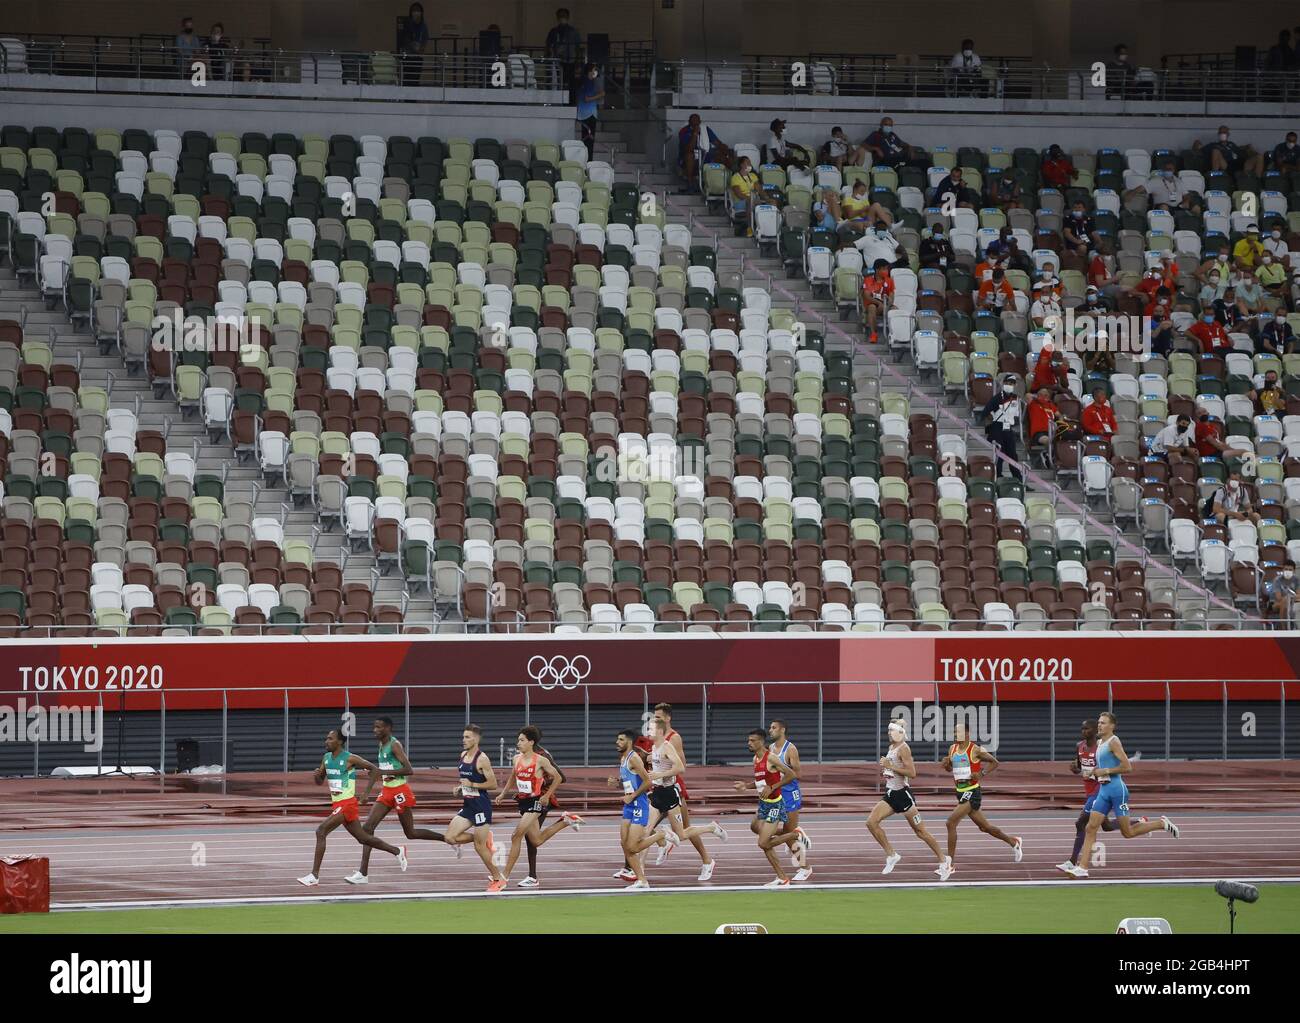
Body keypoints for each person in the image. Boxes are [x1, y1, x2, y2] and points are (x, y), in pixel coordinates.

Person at [1073, 712, 1180, 878]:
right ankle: (1082, 868)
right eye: (1099, 722)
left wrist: (1105, 770)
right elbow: (1102, 767)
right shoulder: (1100, 742)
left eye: (1103, 723)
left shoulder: (1114, 742)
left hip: (1117, 792)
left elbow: (1127, 767)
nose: (1099, 725)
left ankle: (1160, 823)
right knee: (1090, 827)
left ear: (1112, 726)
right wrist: (1093, 773)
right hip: (1103, 791)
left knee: (1127, 832)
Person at [346, 716, 450, 885]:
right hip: (387, 791)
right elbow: (381, 770)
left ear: (388, 728)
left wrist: (385, 773)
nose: (375, 730)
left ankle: (447, 839)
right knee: (367, 828)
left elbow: (409, 770)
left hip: (400, 791)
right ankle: (363, 873)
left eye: (378, 727)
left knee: (411, 833)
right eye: (374, 727)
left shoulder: (395, 745)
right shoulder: (381, 744)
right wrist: (373, 783)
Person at [298, 729, 408, 886]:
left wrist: (366, 793)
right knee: (363, 838)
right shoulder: (326, 758)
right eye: (326, 738)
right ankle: (397, 851)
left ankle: (314, 876)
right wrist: (317, 776)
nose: (326, 741)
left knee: (321, 831)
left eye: (330, 739)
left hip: (347, 804)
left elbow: (374, 770)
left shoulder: (350, 758)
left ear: (340, 742)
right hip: (337, 804)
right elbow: (320, 780)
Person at [494, 726, 583, 887]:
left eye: (521, 740)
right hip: (523, 802)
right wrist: (503, 793)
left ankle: (504, 877)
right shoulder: (516, 759)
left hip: (536, 803)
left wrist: (546, 796)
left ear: (531, 742)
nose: (518, 743)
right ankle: (565, 820)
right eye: (518, 740)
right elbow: (513, 777)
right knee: (536, 840)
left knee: (516, 836)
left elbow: (558, 777)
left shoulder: (541, 760)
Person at [937, 722, 1022, 878]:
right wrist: (946, 765)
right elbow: (951, 769)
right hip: (960, 792)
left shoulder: (975, 750)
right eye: (954, 732)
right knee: (985, 827)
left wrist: (981, 774)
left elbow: (995, 762)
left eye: (959, 732)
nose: (956, 735)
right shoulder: (952, 749)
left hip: (972, 792)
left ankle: (950, 865)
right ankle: (1013, 842)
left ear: (968, 733)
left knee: (950, 823)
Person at [866, 720, 949, 877]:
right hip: (891, 794)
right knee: (871, 823)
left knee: (920, 831)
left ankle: (944, 861)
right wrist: (887, 770)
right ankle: (892, 855)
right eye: (889, 730)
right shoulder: (892, 747)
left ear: (900, 732)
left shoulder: (904, 749)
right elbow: (894, 769)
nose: (889, 733)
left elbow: (912, 773)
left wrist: (890, 767)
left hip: (903, 795)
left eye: (892, 730)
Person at [642, 718, 726, 868]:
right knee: (646, 829)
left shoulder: (667, 747)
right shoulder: (654, 747)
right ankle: (640, 874)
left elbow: (680, 768)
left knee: (680, 835)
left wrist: (659, 775)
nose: (648, 732)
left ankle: (711, 827)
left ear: (659, 731)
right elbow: (657, 764)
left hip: (670, 793)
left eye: (651, 729)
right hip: (657, 793)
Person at [731, 729, 809, 888]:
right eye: (748, 740)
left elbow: (791, 774)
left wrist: (773, 787)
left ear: (761, 742)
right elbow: (760, 781)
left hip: (775, 804)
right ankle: (783, 877)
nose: (749, 743)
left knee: (763, 843)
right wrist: (746, 786)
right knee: (754, 828)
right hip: (763, 804)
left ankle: (793, 835)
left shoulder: (771, 758)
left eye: (752, 741)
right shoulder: (755, 759)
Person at [649, 703, 717, 881]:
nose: (656, 720)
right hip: (658, 787)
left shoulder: (674, 738)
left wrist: (664, 773)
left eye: (659, 717)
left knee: (685, 829)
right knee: (645, 824)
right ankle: (662, 843)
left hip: (674, 788)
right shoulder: (657, 738)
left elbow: (681, 765)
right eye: (654, 717)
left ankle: (707, 861)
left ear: (668, 718)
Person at [608, 729, 678, 890]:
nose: (617, 742)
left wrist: (632, 797)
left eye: (621, 740)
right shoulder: (623, 758)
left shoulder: (634, 759)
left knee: (633, 846)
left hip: (639, 805)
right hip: (629, 806)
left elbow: (647, 782)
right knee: (625, 844)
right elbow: (631, 783)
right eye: (617, 739)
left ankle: (662, 834)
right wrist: (617, 783)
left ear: (629, 742)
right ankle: (642, 880)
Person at [444, 724, 508, 893]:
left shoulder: (482, 759)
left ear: (476, 739)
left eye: (467, 737)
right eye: (463, 737)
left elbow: (493, 784)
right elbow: (465, 779)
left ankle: (498, 879)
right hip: (468, 804)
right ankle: (484, 839)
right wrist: (460, 788)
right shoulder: (463, 755)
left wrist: (471, 784)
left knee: (480, 848)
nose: (463, 740)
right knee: (450, 837)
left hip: (481, 806)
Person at [1055, 719, 1118, 875]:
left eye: (1087, 728)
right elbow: (1079, 767)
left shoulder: (1101, 748)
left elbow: (1110, 767)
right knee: (1107, 826)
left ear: (1094, 731)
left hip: (1101, 789)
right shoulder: (1080, 746)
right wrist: (1074, 768)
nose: (1084, 731)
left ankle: (1072, 861)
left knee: (1081, 822)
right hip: (1089, 790)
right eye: (1082, 728)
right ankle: (1140, 821)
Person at [768, 719, 812, 881]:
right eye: (770, 728)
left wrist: (782, 772)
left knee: (786, 833)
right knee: (765, 830)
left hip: (790, 794)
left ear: (782, 730)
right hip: (776, 794)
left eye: (774, 728)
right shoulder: (770, 749)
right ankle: (797, 834)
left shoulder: (790, 749)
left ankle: (805, 867)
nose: (770, 730)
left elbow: (798, 774)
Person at [982, 377, 1023, 478]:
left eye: (1013, 383)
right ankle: (998, 477)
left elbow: (1016, 414)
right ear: (1004, 383)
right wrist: (990, 417)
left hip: (1008, 428)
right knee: (999, 455)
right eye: (1008, 382)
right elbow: (985, 411)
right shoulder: (996, 398)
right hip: (997, 428)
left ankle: (1018, 480)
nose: (1010, 385)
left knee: (1013, 455)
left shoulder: (1015, 398)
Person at [678, 114, 728, 191]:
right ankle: (690, 182)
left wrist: (724, 149)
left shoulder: (705, 129)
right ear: (689, 122)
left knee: (722, 156)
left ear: (700, 122)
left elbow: (717, 143)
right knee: (689, 156)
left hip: (705, 157)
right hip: (690, 160)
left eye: (697, 123)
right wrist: (694, 133)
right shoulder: (684, 131)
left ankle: (720, 186)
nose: (695, 124)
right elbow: (689, 149)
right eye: (693, 122)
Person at [545, 8, 582, 101]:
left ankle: (571, 101)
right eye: (561, 16)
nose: (562, 18)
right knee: (557, 81)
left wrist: (577, 61)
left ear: (568, 17)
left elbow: (578, 47)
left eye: (564, 16)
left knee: (570, 82)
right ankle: (557, 100)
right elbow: (548, 45)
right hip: (557, 61)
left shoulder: (573, 32)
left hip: (570, 61)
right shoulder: (554, 31)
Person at [860, 258, 895, 344]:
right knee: (872, 307)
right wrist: (878, 303)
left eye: (887, 269)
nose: (886, 271)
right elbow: (866, 296)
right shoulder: (868, 280)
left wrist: (888, 303)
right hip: (872, 304)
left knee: (895, 310)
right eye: (884, 269)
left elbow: (891, 296)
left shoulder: (889, 281)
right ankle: (873, 334)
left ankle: (896, 335)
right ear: (877, 270)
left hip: (884, 305)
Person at [576, 63, 604, 161]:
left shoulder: (590, 82)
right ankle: (588, 161)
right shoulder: (588, 82)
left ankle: (587, 160)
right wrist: (600, 95)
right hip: (588, 114)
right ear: (589, 71)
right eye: (593, 70)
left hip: (586, 114)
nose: (595, 72)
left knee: (587, 139)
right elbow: (587, 99)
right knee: (589, 140)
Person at [398, 3, 429, 87]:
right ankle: (407, 99)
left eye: (418, 10)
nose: (416, 12)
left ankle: (413, 99)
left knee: (415, 80)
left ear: (421, 12)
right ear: (411, 12)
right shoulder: (407, 23)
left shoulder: (423, 26)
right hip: (408, 57)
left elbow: (425, 38)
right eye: (414, 10)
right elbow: (405, 39)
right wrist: (415, 47)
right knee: (407, 79)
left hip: (418, 57)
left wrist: (421, 48)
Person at [1263, 560, 1299, 626]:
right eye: (1286, 569)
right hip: (1276, 603)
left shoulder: (1297, 580)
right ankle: (1284, 628)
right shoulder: (1277, 580)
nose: (1288, 571)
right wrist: (1291, 598)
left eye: (1290, 570)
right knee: (1284, 602)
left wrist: (1290, 598)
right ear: (1282, 570)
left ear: (1294, 571)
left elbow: (1299, 595)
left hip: (1292, 602)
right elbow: (1278, 598)